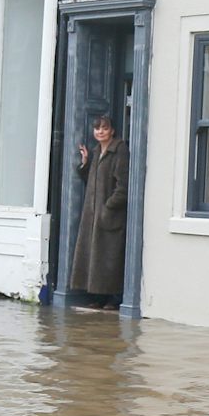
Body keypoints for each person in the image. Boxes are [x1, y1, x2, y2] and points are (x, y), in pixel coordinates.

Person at [68, 113, 129, 309]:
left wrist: (109, 206)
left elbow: (124, 185)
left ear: (112, 130)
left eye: (104, 128)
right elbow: (93, 180)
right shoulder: (97, 151)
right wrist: (85, 162)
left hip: (110, 215)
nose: (100, 132)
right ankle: (98, 296)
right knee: (96, 257)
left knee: (110, 257)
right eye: (97, 128)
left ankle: (114, 297)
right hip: (93, 215)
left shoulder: (119, 150)